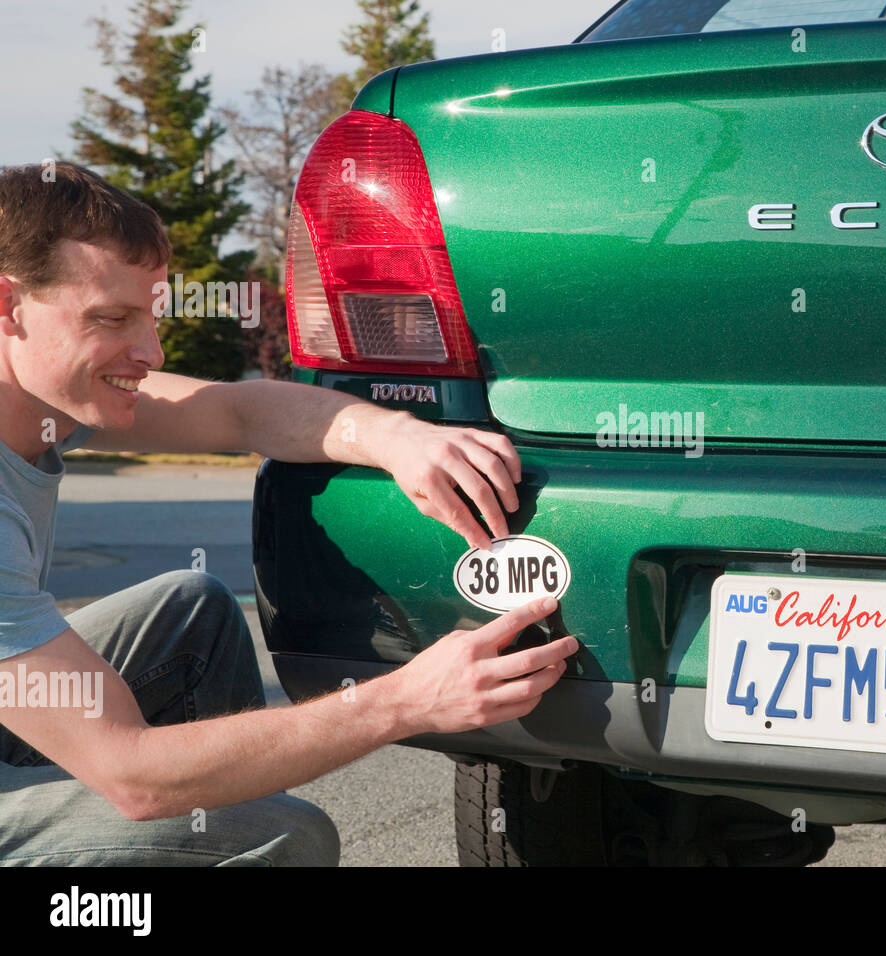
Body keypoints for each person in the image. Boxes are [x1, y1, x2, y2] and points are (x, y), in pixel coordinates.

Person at [0, 162, 577, 865]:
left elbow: (240, 409)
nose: (150, 352)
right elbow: (134, 773)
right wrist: (407, 700)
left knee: (193, 614)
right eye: (113, 319)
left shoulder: (42, 398)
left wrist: (396, 437)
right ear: (9, 307)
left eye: (151, 315)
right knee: (283, 833)